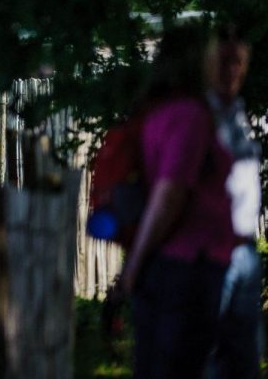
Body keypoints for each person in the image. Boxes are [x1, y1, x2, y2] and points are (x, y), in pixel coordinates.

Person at [118, 23, 236, 379]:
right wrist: (135, 265)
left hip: (168, 267)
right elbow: (169, 194)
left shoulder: (157, 114)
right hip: (185, 269)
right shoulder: (191, 117)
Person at [205, 25, 261, 379]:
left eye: (238, 62)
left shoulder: (238, 114)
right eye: (225, 61)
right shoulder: (201, 116)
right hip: (214, 251)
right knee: (210, 353)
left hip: (245, 252)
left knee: (243, 357)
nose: (232, 70)